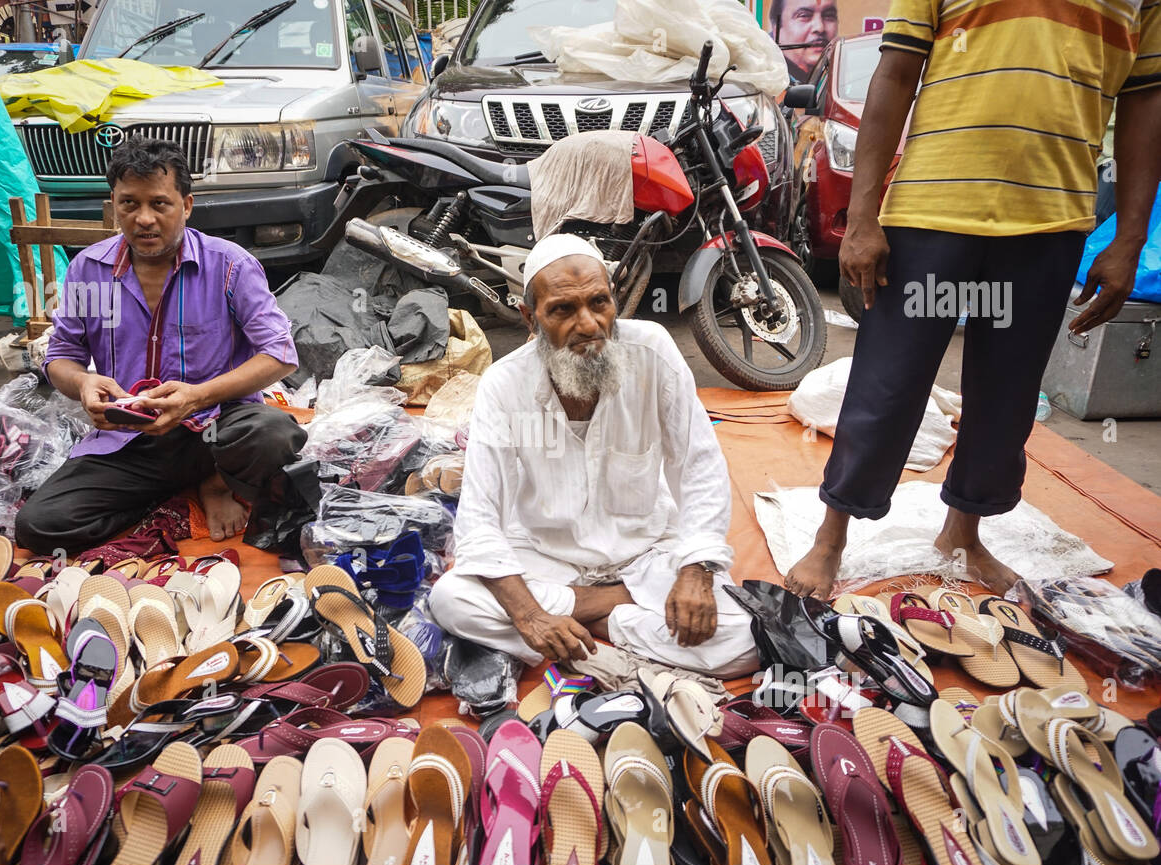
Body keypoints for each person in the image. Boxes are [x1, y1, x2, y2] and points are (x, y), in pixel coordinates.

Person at [784, 1, 1161, 600]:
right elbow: (897, 73)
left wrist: (1131, 237)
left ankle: (963, 532)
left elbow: (1144, 101)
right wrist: (862, 216)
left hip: (1050, 224)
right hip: (932, 215)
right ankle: (832, 535)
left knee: (1007, 397)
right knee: (888, 384)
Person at [428, 234, 756, 677]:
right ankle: (618, 624)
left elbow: (698, 465)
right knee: (451, 600)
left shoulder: (652, 350)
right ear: (531, 318)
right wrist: (528, 614)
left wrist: (695, 571)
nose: (588, 324)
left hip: (647, 555)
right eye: (563, 310)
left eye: (599, 303)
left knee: (745, 640)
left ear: (614, 301)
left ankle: (592, 627)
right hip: (547, 558)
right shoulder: (504, 384)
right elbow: (480, 520)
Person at [15, 138, 304, 554]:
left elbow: (279, 354)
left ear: (186, 205)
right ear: (113, 203)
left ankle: (214, 484)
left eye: (160, 204)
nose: (144, 219)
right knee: (39, 525)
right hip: (130, 438)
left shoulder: (229, 265)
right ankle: (162, 499)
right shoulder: (88, 269)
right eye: (129, 204)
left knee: (275, 434)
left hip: (215, 431)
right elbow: (62, 356)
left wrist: (196, 397)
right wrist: (82, 384)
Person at [770, 0, 839, 82]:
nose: (819, 27)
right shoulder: (765, 82)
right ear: (776, 28)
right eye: (804, 16)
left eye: (829, 16)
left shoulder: (844, 80)